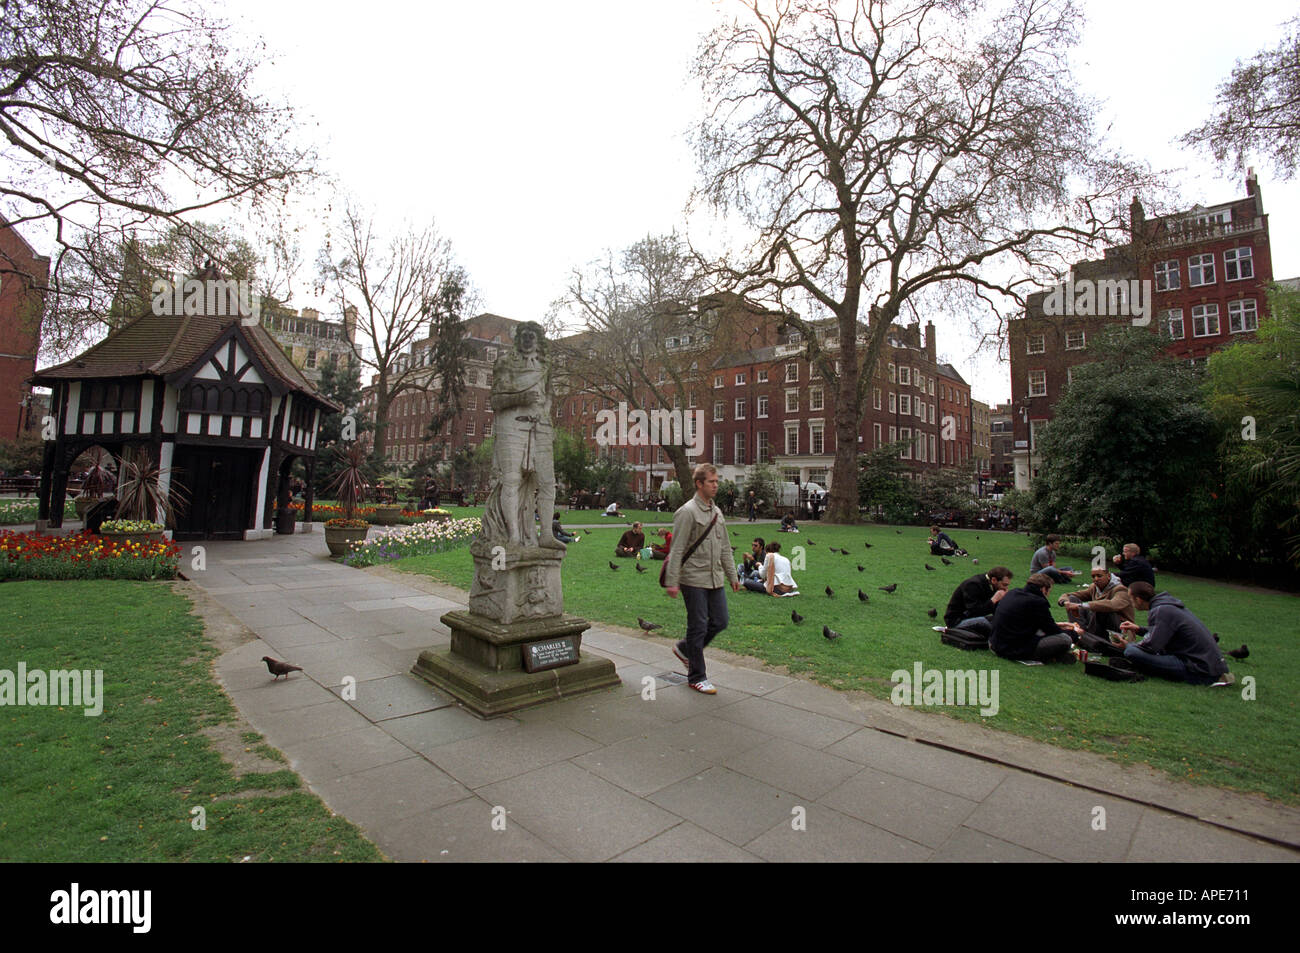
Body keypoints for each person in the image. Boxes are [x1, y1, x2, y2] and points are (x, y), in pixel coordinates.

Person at [480, 322, 558, 548]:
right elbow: (495, 401)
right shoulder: (505, 363)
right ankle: (513, 535)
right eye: (523, 335)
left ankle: (546, 535)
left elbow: (550, 393)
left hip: (540, 424)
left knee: (547, 482)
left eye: (531, 336)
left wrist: (545, 412)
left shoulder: (545, 365)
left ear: (537, 339)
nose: (527, 339)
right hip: (511, 425)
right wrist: (521, 398)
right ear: (518, 339)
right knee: (512, 480)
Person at [664, 463, 740, 694]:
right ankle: (697, 676)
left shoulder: (717, 513)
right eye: (711, 482)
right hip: (693, 578)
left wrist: (733, 576)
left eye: (717, 481)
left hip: (715, 578)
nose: (716, 485)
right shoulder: (687, 512)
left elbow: (725, 547)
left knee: (721, 620)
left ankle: (686, 649)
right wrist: (672, 580)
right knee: (697, 626)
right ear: (699, 484)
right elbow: (676, 550)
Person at [1116, 582, 1232, 686]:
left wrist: (1128, 645)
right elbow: (1165, 632)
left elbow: (1151, 646)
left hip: (1197, 669)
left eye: (1131, 600)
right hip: (1209, 665)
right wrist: (1139, 629)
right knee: (1136, 651)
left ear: (1139, 600)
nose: (1132, 604)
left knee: (1131, 652)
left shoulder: (1161, 611)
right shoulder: (1167, 606)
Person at [989, 573, 1083, 663]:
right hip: (1011, 649)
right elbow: (1052, 630)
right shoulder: (1038, 602)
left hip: (994, 644)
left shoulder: (1013, 593)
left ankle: (1054, 656)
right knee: (1065, 639)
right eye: (1049, 591)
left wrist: (1060, 625)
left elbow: (1025, 621)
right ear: (1043, 589)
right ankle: (1049, 656)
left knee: (1043, 633)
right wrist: (1074, 633)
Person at [1058, 567, 1134, 638]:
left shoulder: (1120, 590)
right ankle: (1079, 633)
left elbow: (1113, 605)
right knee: (1072, 599)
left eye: (1099, 576)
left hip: (1120, 629)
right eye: (1093, 576)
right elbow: (1069, 595)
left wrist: (1080, 606)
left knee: (1101, 607)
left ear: (1108, 576)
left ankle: (1088, 637)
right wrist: (1065, 602)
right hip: (1097, 626)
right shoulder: (1094, 587)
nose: (1096, 579)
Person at [943, 566, 1013, 637]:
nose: (1006, 588)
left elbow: (996, 611)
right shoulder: (973, 585)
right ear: (994, 580)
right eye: (1004, 585)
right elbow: (975, 611)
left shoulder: (993, 585)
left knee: (1003, 620)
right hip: (957, 621)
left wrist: (1004, 600)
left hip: (972, 618)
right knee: (986, 623)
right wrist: (993, 600)